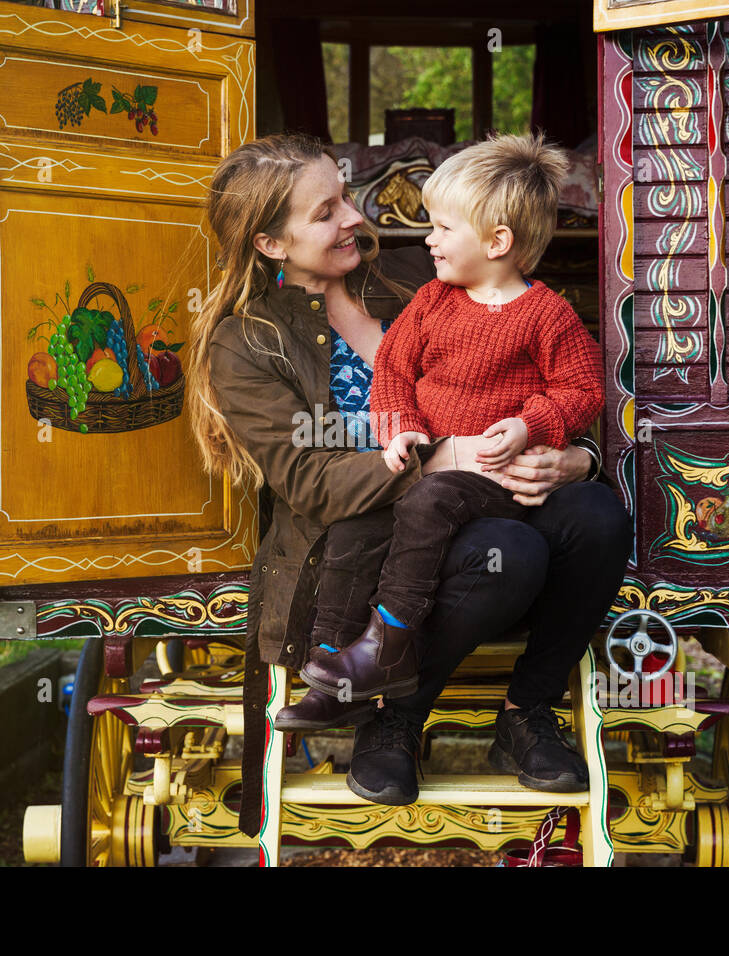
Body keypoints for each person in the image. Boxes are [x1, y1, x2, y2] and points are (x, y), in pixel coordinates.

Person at [187, 133, 631, 831]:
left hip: (495, 489)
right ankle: (395, 716)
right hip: (377, 540)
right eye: (327, 211)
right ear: (272, 243)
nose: (356, 219)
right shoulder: (247, 342)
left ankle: (526, 712)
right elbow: (310, 481)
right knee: (507, 556)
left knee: (599, 517)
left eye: (345, 198)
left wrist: (574, 459)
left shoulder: (412, 275)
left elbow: (554, 380)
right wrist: (445, 457)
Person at [298, 133, 605, 723]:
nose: (428, 240)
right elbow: (392, 369)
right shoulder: (433, 301)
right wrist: (401, 430)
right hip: (428, 465)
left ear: (498, 242)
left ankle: (390, 640)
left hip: (493, 479)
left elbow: (583, 389)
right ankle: (329, 668)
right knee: (351, 532)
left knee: (431, 500)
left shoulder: (548, 315)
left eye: (441, 228)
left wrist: (527, 423)